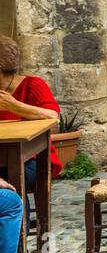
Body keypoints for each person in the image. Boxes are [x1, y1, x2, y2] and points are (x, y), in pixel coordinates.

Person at [0, 34, 63, 184]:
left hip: (32, 158)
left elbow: (53, 116)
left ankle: (16, 207)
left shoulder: (33, 85)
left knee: (10, 177)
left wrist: (15, 106)